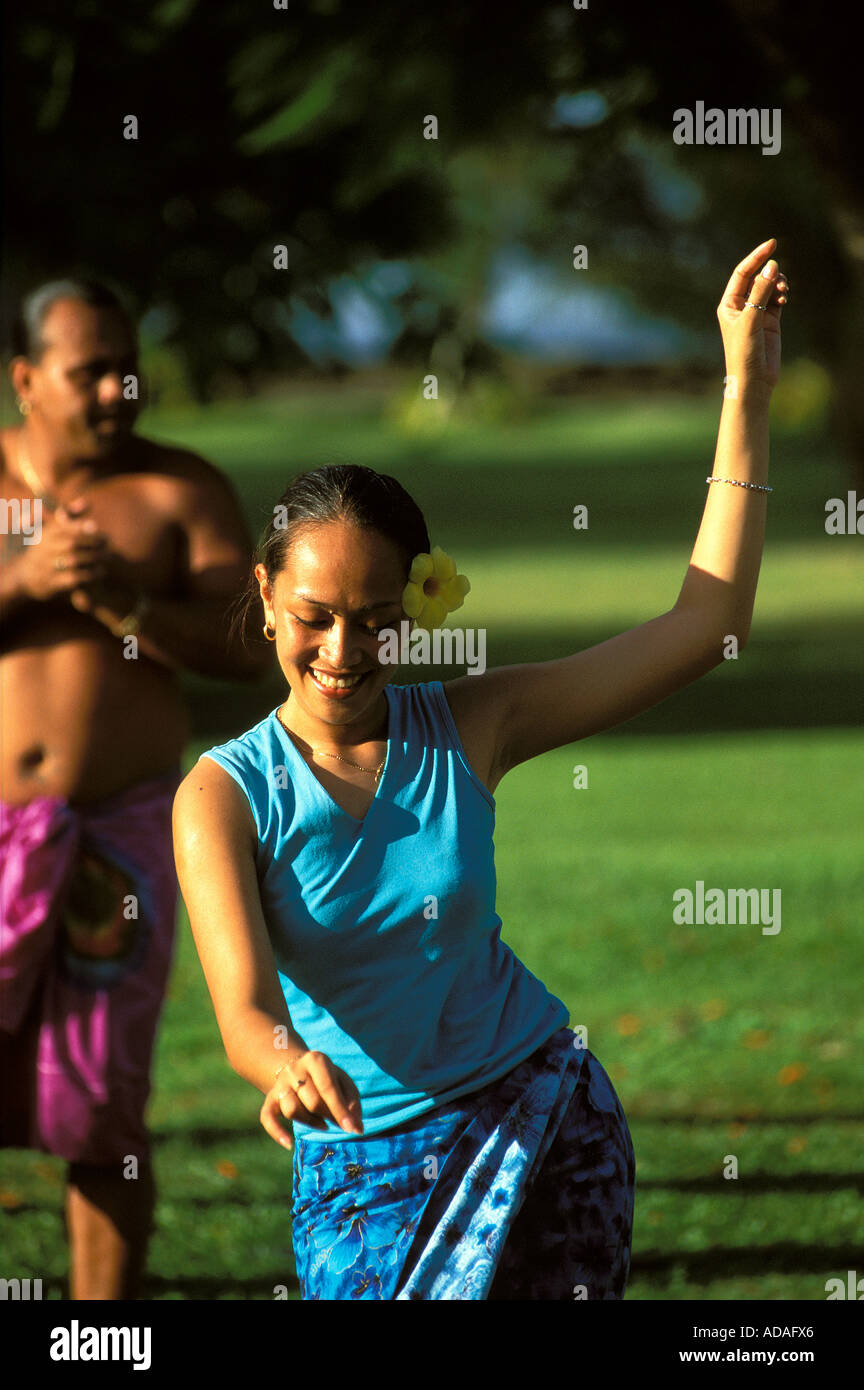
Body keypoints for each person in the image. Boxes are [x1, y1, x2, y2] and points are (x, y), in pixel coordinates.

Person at [172, 239, 788, 1299]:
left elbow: (705, 623)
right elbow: (243, 1008)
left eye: (373, 622)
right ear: (266, 596)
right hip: (361, 1156)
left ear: (415, 609)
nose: (341, 651)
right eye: (313, 619)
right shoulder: (225, 790)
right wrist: (282, 1066)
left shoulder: (471, 723)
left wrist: (746, 389)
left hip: (544, 1119)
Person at [0, 277, 271, 1299]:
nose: (118, 389)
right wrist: (23, 582)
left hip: (121, 835)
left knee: (101, 1101)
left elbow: (250, 650)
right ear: (26, 379)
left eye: (128, 367)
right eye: (88, 372)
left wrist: (128, 605)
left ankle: (97, 1326)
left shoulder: (179, 492)